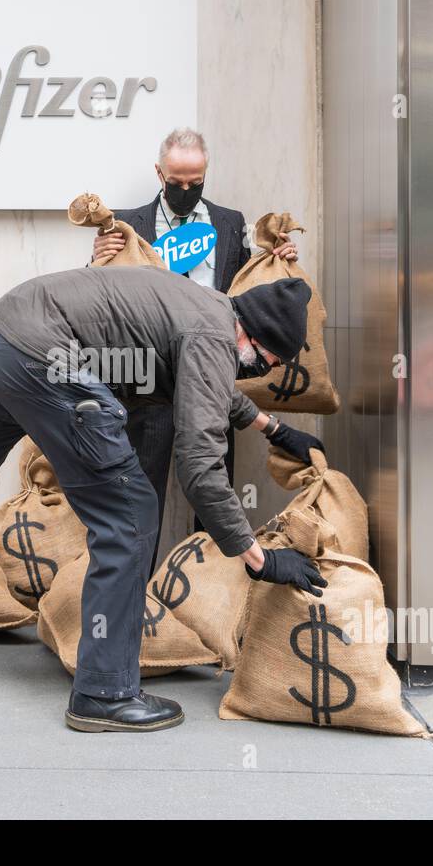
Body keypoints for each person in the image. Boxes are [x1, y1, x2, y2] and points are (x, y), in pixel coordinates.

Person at [0, 265, 327, 732]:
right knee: (130, 513)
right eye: (267, 364)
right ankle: (106, 694)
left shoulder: (205, 309)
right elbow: (199, 466)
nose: (260, 373)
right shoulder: (215, 336)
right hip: (42, 360)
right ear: (254, 340)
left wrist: (275, 429)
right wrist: (258, 559)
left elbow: (213, 390)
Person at [91, 128, 301, 562]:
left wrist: (279, 260)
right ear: (158, 173)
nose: (185, 190)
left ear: (206, 173)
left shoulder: (230, 223)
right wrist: (97, 259)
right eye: (176, 181)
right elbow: (98, 296)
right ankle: (136, 596)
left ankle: (211, 596)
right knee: (140, 494)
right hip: (148, 380)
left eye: (195, 182)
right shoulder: (127, 224)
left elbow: (251, 290)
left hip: (213, 375)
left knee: (214, 486)